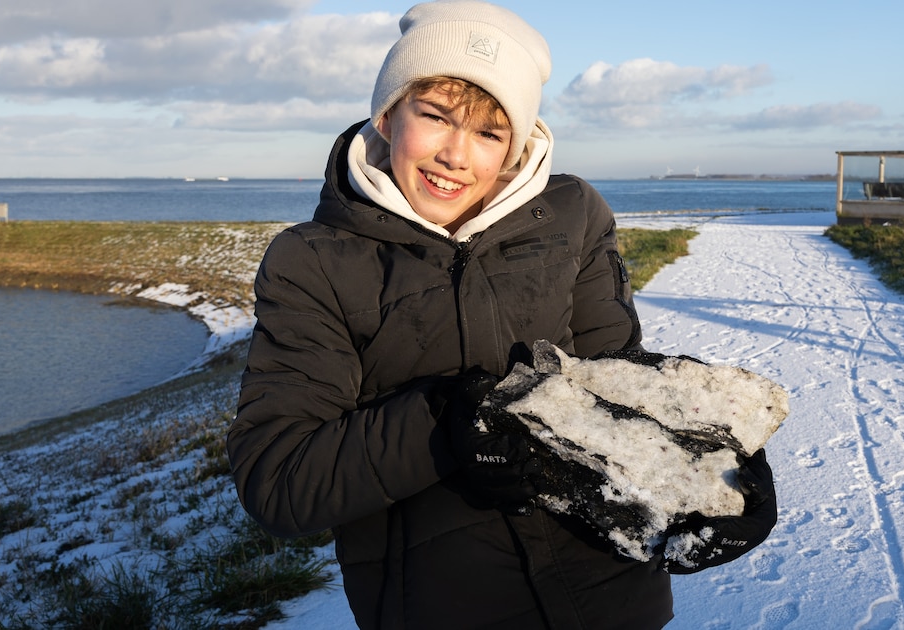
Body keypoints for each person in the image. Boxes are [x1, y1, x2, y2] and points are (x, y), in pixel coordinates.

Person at [226, 2, 777, 628]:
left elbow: (620, 383)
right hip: (442, 605)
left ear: (514, 147)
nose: (456, 155)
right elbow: (279, 479)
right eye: (435, 116)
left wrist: (715, 465)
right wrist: (446, 422)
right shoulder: (314, 259)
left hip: (612, 599)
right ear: (386, 114)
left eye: (489, 133)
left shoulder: (572, 215)